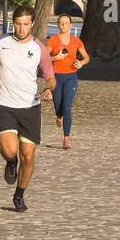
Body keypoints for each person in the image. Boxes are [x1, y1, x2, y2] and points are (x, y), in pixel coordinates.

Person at [0, 5, 55, 212]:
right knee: (9, 150)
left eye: (25, 24)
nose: (21, 28)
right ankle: (10, 162)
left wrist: (48, 89)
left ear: (32, 24)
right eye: (18, 24)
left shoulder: (40, 48)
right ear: (13, 23)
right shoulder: (1, 41)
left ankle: (19, 195)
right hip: (4, 104)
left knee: (28, 157)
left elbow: (51, 77)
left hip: (30, 108)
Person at [46, 13, 90, 150]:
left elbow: (86, 57)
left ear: (70, 25)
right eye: (61, 23)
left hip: (71, 77)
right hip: (56, 77)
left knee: (67, 107)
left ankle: (66, 139)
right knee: (58, 106)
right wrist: (56, 58)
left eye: (66, 23)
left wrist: (81, 63)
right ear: (58, 25)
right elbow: (44, 58)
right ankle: (59, 116)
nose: (64, 25)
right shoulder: (53, 40)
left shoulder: (76, 41)